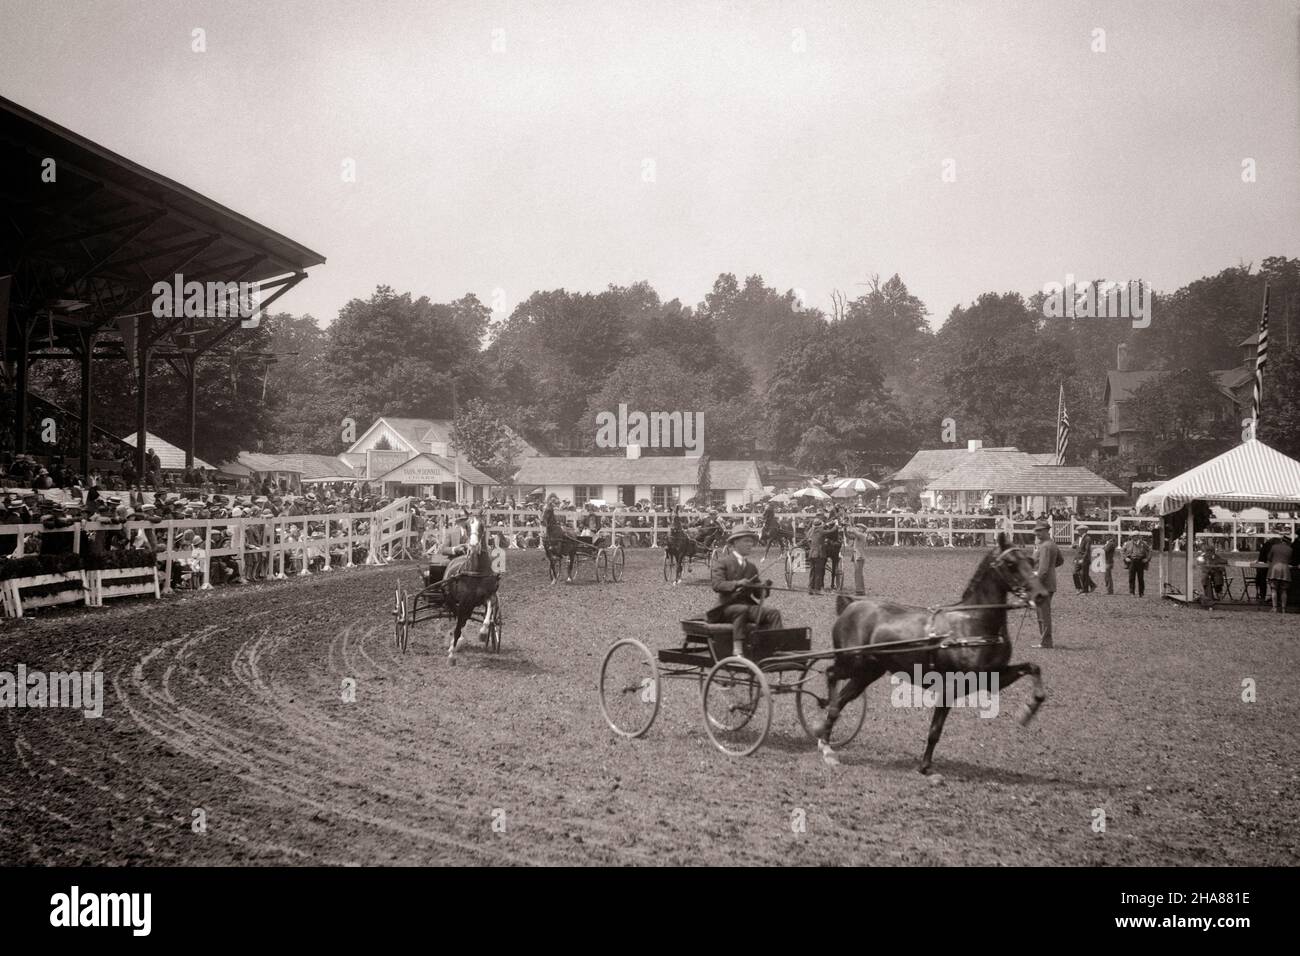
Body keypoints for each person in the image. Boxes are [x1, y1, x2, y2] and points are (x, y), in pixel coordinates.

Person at [706, 528, 782, 659]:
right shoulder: (723, 562)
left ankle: (776, 647)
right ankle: (737, 649)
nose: (750, 544)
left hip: (747, 607)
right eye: (746, 541)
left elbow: (758, 594)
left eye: (751, 541)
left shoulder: (751, 567)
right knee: (741, 610)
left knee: (773, 613)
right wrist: (737, 583)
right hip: (725, 608)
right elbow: (717, 585)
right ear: (735, 543)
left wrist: (764, 588)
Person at [1031, 519, 1063, 648]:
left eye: (1040, 531)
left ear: (1046, 531)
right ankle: (1044, 641)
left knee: (1043, 614)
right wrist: (1050, 568)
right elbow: (1060, 560)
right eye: (1036, 531)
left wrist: (1036, 583)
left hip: (1043, 585)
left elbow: (1043, 570)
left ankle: (1046, 642)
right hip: (1049, 583)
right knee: (1042, 613)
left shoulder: (1045, 546)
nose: (1037, 533)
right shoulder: (1052, 543)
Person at [1267, 531, 1293, 614]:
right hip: (1285, 571)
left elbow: (1269, 557)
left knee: (1274, 589)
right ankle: (1283, 608)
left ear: (1281, 540)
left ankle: (1274, 608)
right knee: (1284, 590)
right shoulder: (1290, 549)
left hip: (1274, 570)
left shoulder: (1274, 547)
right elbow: (1290, 560)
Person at [1122, 532, 1152, 597]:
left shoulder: (1144, 543)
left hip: (1140, 561)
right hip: (1132, 561)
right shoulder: (1128, 543)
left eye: (1135, 536)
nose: (1133, 537)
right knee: (1131, 577)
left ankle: (1141, 593)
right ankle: (1132, 592)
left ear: (1138, 536)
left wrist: (1147, 559)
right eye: (1132, 536)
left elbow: (1150, 550)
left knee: (1140, 578)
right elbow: (1122, 551)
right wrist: (1125, 558)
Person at [806, 518, 827, 595]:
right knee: (818, 573)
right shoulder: (821, 531)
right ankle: (817, 590)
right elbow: (830, 531)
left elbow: (808, 540)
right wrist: (836, 525)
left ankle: (810, 589)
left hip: (811, 554)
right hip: (818, 554)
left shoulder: (810, 531)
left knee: (812, 572)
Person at [1072, 526, 1094, 593]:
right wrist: (1074, 546)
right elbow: (1074, 545)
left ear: (1084, 530)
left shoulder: (1087, 538)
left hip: (1084, 559)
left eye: (1079, 530)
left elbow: (1087, 550)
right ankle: (1079, 588)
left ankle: (1085, 590)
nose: (1078, 531)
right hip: (1078, 558)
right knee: (1075, 573)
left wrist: (1083, 559)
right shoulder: (1078, 538)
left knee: (1084, 575)